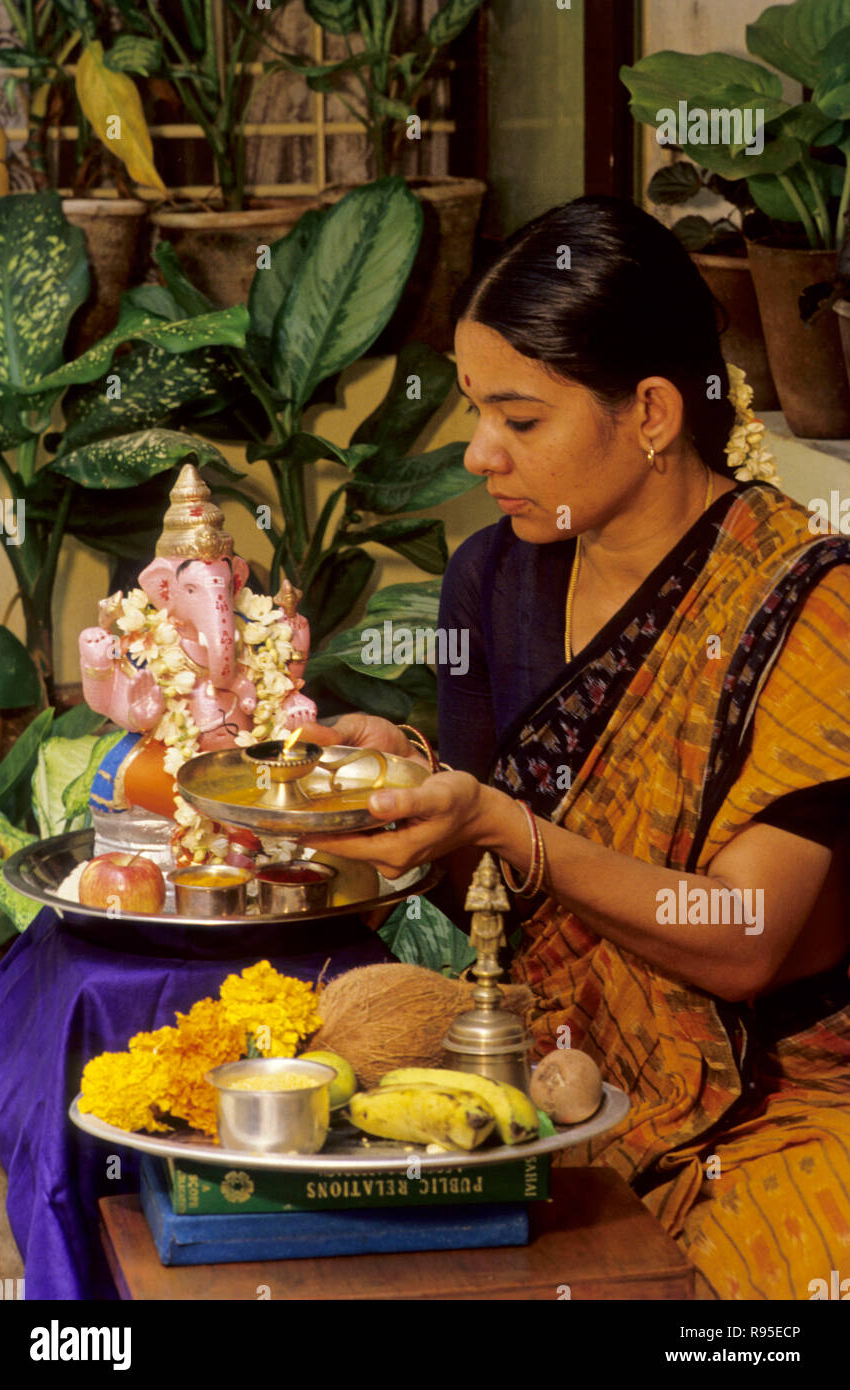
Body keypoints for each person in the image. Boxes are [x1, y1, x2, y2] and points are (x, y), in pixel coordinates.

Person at [298, 196, 850, 1301]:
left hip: (784, 1093)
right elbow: (487, 901)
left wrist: (500, 820)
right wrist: (401, 800)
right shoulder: (494, 578)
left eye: (522, 418)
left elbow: (743, 939)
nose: (479, 452)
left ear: (650, 411)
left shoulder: (807, 603)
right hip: (544, 1055)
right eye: (472, 409)